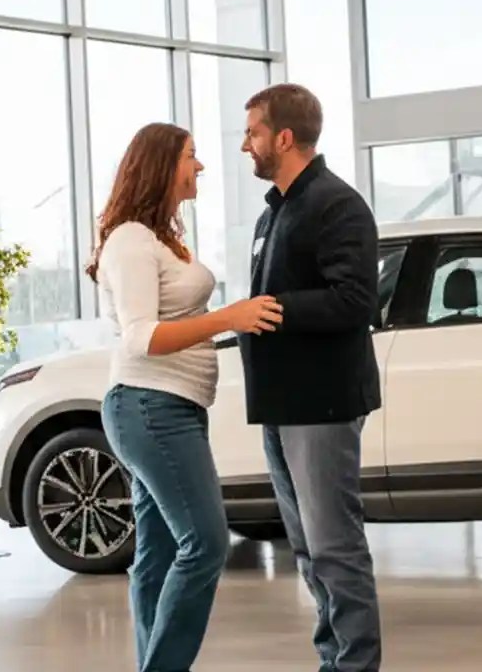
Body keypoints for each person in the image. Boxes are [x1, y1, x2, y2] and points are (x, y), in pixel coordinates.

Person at [89, 122, 284, 671]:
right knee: (206, 543)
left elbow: (181, 321)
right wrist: (229, 317)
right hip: (149, 407)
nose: (199, 166)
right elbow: (140, 336)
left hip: (173, 407)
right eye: (190, 156)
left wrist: (230, 325)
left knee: (157, 556)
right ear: (159, 165)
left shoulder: (161, 238)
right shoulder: (130, 240)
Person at [238, 84, 383, 671]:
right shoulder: (275, 211)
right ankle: (333, 660)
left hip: (321, 405)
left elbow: (354, 301)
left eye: (252, 132)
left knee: (335, 548)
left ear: (284, 137)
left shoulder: (336, 205)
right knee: (306, 550)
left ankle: (354, 666)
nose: (246, 144)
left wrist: (271, 310)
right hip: (281, 404)